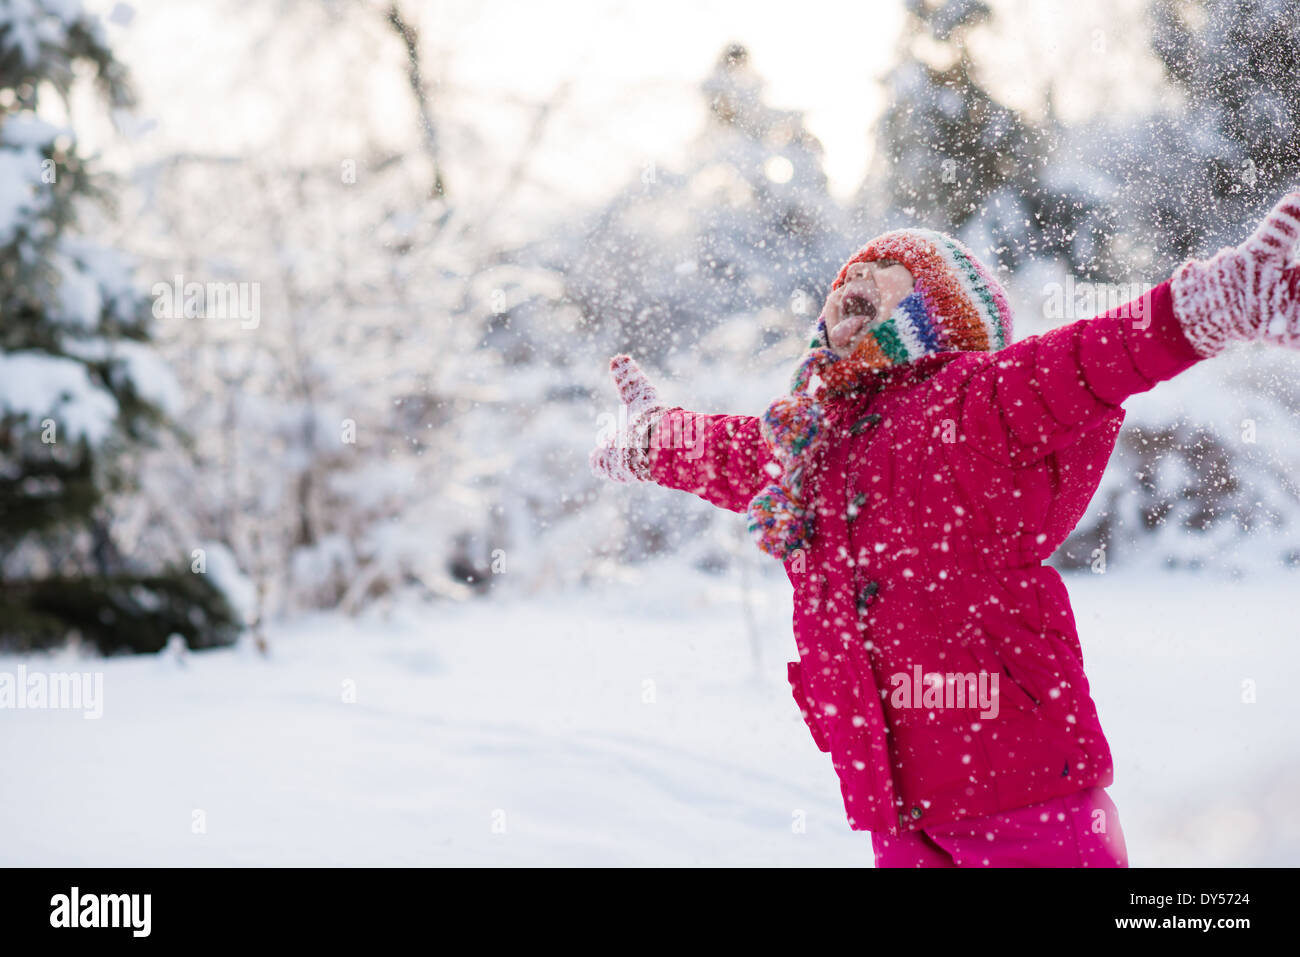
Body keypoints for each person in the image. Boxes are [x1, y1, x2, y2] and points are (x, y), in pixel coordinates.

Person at [590, 192, 1300, 867]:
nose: (857, 273)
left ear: (942, 309)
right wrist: (655, 439)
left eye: (886, 268)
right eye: (848, 271)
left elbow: (1091, 357)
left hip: (1019, 792)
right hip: (893, 803)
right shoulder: (811, 444)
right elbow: (730, 450)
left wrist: (1210, 304)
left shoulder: (977, 402)